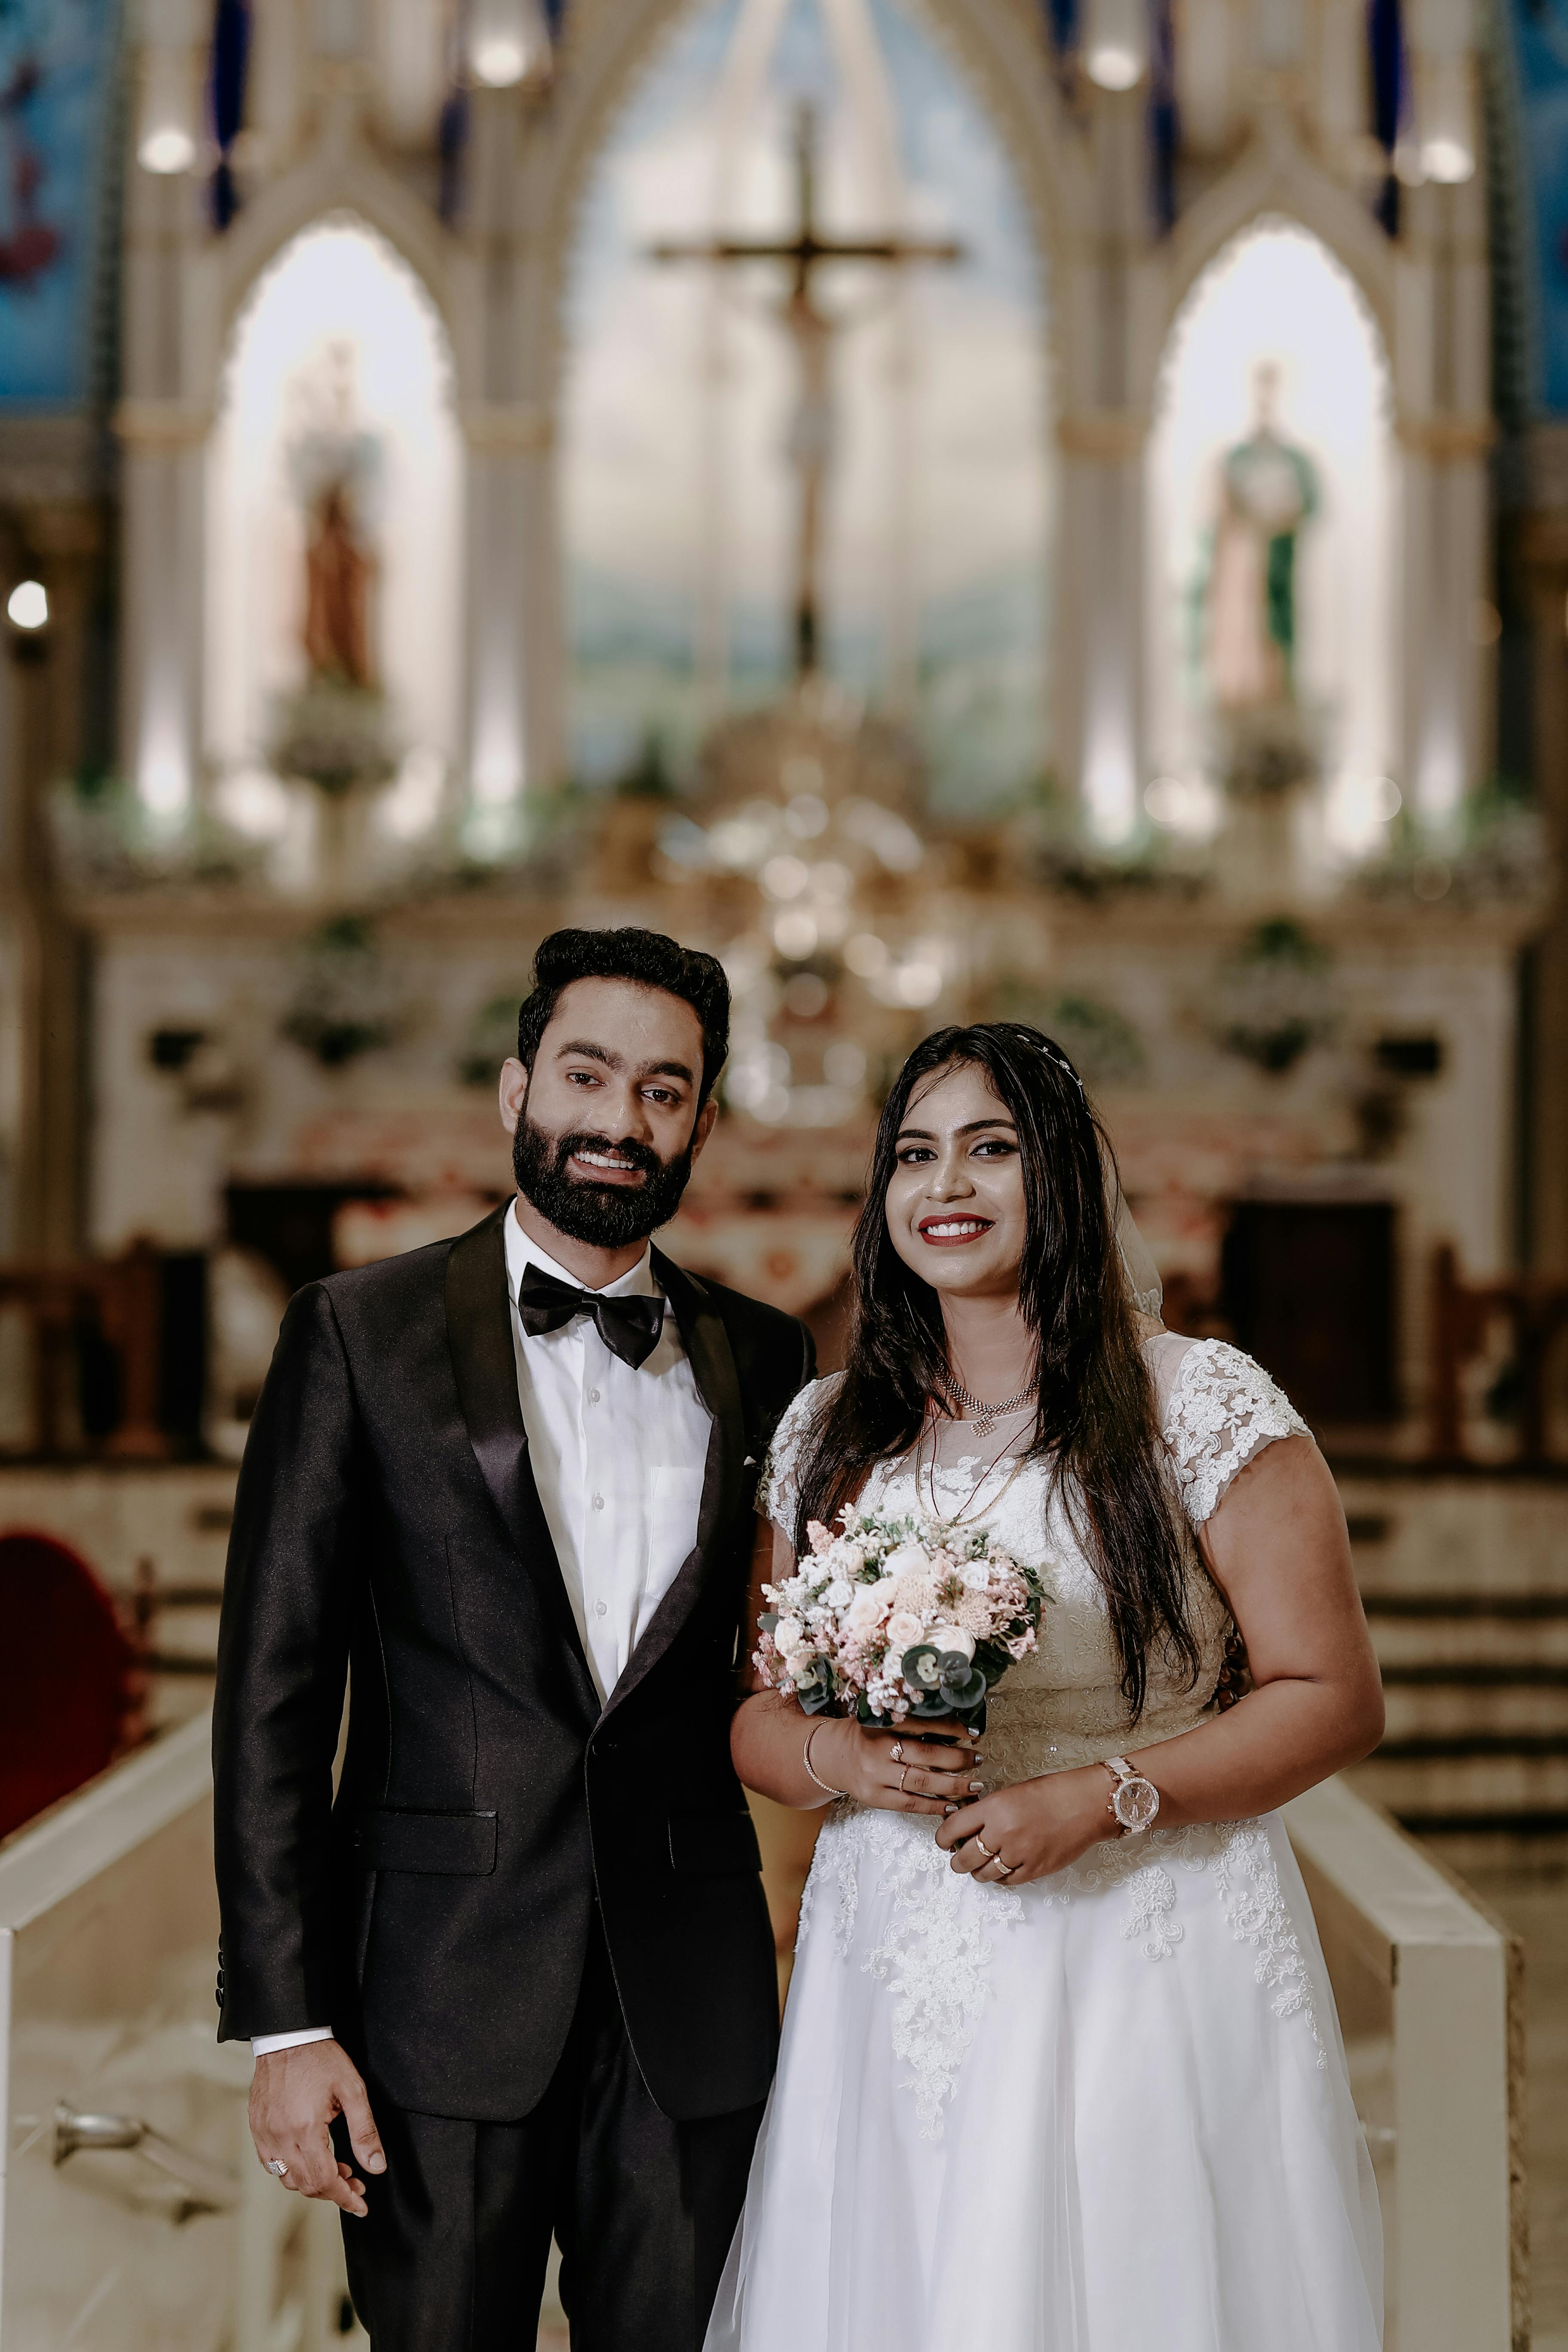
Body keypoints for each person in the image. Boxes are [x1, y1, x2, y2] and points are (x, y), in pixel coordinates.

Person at [710, 1022, 1385, 2352]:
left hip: (1140, 1941)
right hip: (896, 1950)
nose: (945, 1185)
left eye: (990, 1148)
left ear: (1062, 1174)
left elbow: (1332, 1695)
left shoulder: (1199, 1404)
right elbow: (753, 1714)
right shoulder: (829, 1432)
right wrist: (842, 1763)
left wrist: (1108, 1795)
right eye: (914, 1154)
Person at [212, 927, 815, 2352]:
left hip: (694, 2002)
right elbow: (273, 1699)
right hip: (435, 1990)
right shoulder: (356, 1335)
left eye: (664, 1091)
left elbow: (772, 1662)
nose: (620, 1121)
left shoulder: (773, 1356)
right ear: (516, 1089)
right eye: (588, 1075)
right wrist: (287, 2027)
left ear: (704, 1123)